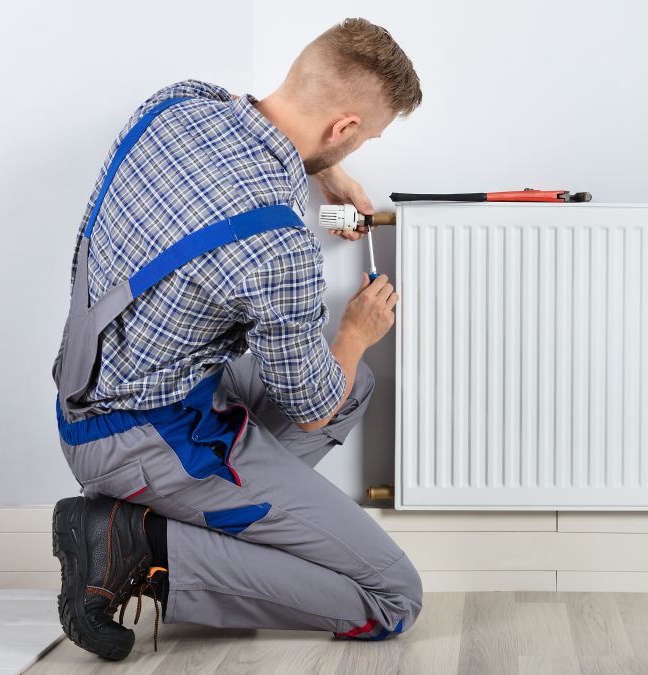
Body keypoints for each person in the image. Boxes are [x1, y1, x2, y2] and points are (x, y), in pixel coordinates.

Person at [49, 18, 423, 661]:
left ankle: (180, 527)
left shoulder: (174, 104)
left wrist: (325, 173)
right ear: (344, 129)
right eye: (364, 139)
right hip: (150, 438)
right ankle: (142, 544)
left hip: (87, 394)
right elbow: (313, 407)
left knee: (354, 386)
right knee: (393, 598)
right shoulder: (280, 249)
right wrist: (357, 331)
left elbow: (254, 142)